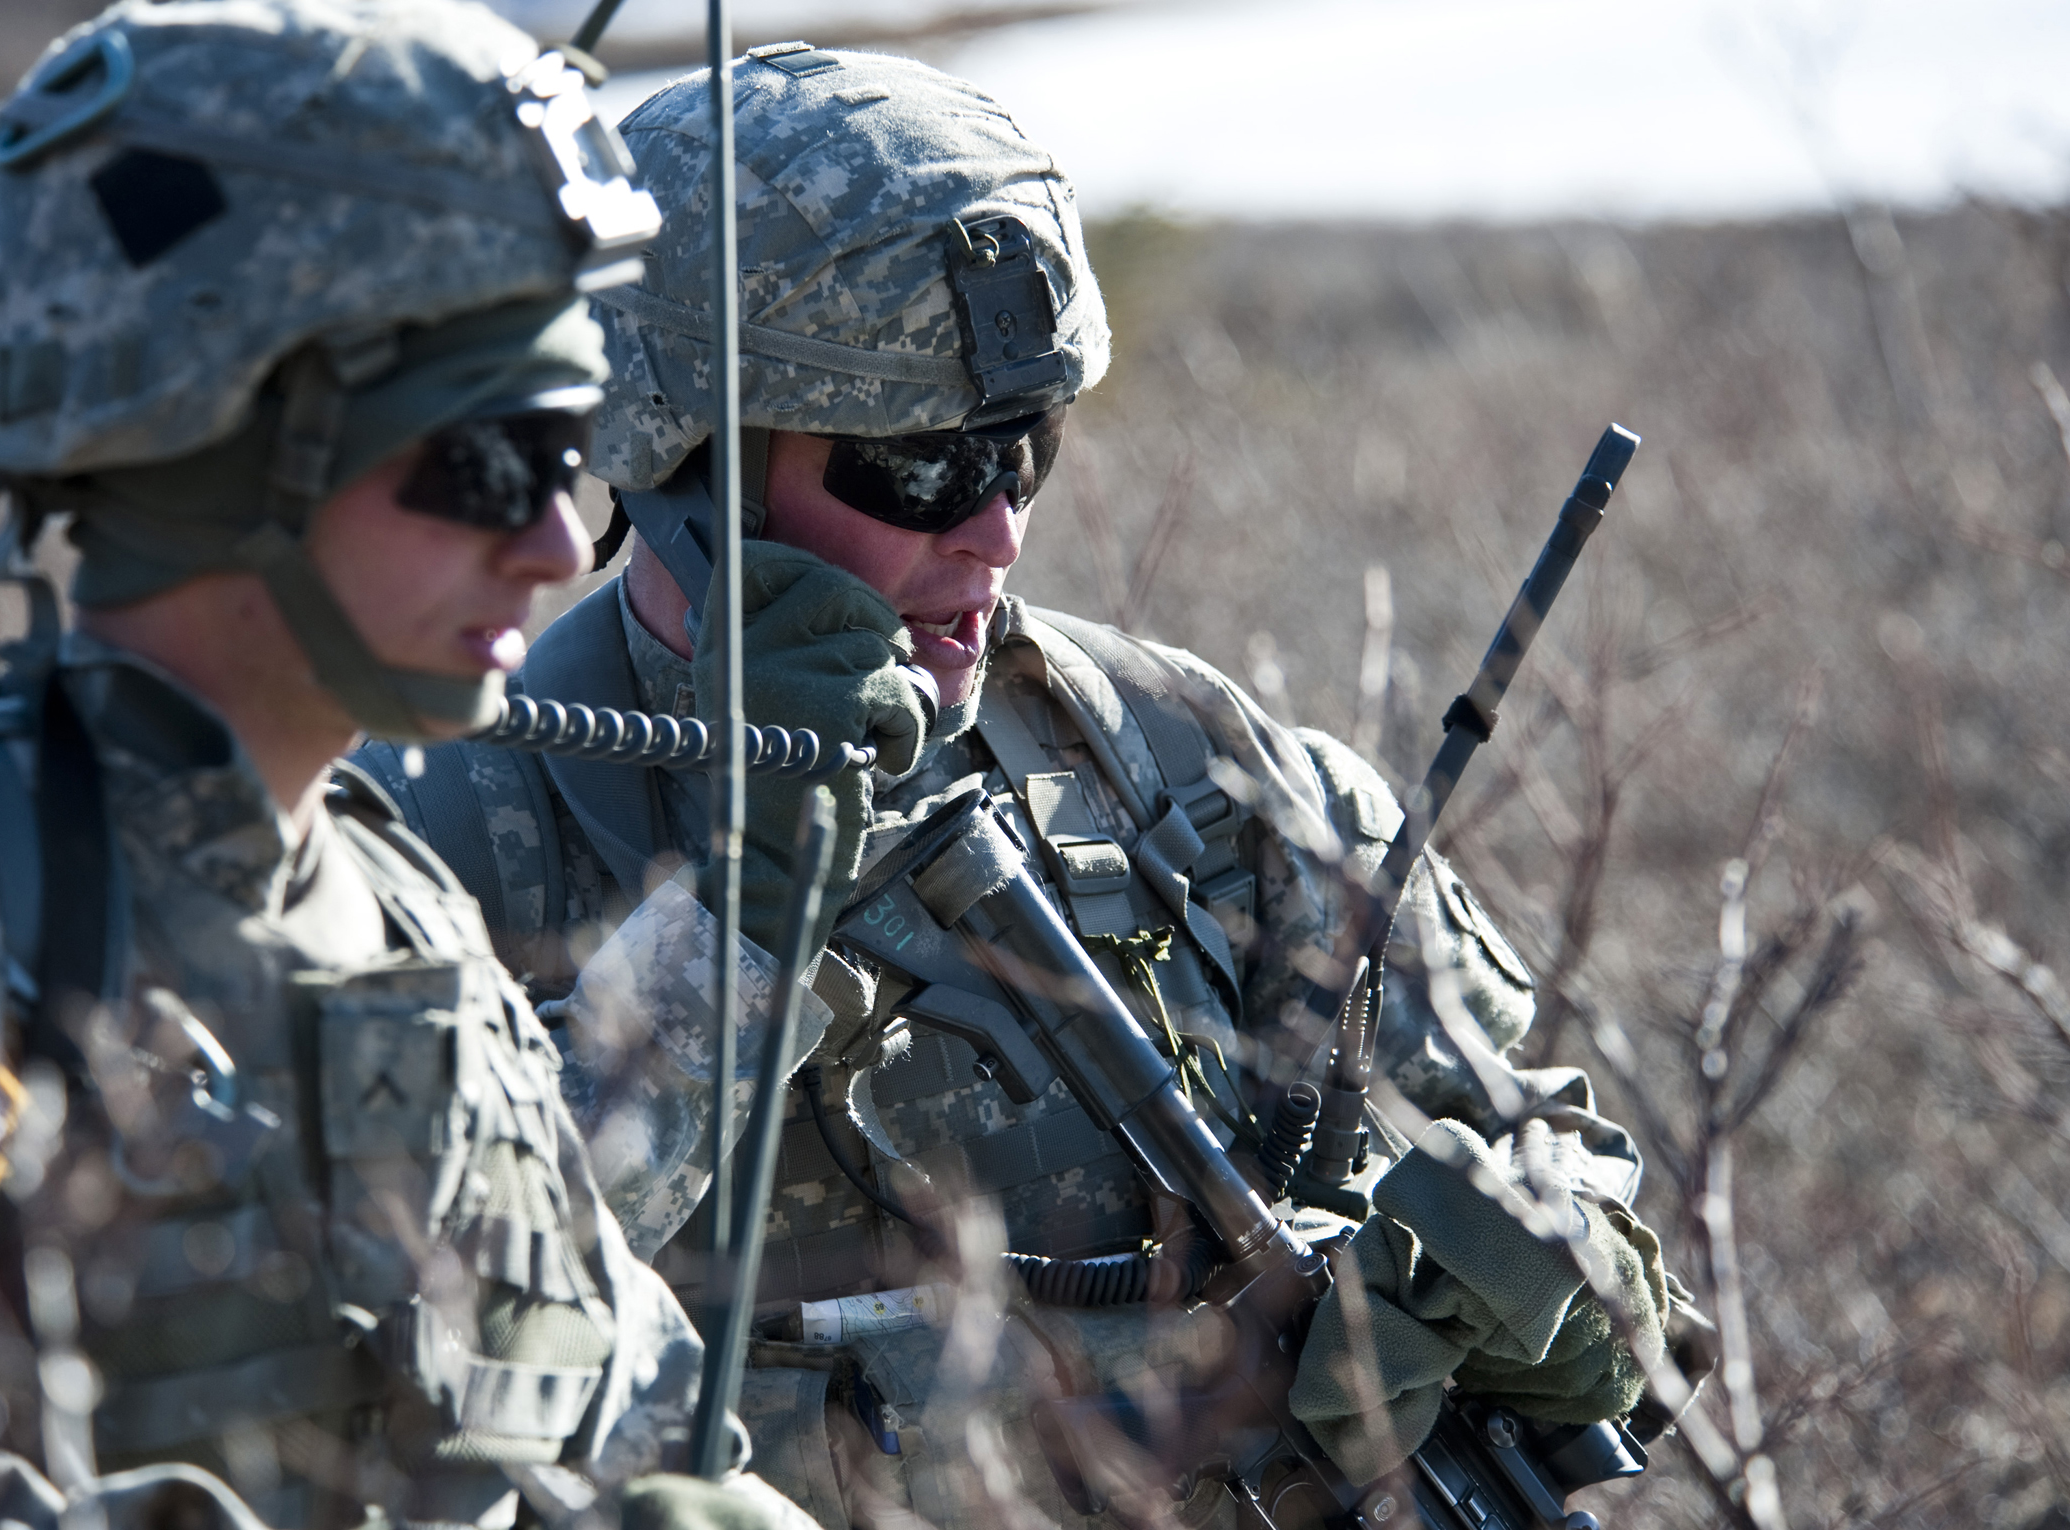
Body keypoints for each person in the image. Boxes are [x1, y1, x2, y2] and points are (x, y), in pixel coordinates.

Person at [358, 46, 1683, 1529]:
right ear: (686, 466)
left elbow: (1561, 1182)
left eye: (1024, 448)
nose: (994, 532)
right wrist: (735, 929)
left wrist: (1530, 1269)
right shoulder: (450, 834)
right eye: (918, 466)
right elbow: (394, 1373)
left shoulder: (1180, 759)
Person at [0, 4, 824, 1527]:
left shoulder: (396, 914)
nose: (550, 544)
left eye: (571, 451)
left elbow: (609, 1406)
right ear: (215, 451)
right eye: (483, 461)